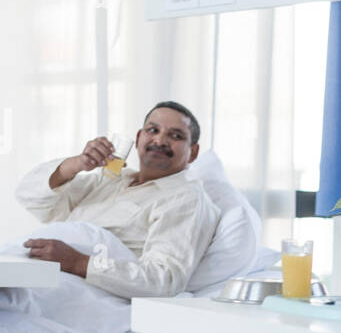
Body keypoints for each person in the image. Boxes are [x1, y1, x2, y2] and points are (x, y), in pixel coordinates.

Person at [16, 101, 220, 298]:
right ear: (139, 137)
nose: (159, 141)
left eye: (175, 135)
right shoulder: (113, 179)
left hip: (82, 292)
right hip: (41, 271)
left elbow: (163, 280)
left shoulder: (186, 199)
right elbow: (29, 196)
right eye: (152, 130)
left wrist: (78, 262)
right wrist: (78, 163)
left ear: (193, 152)